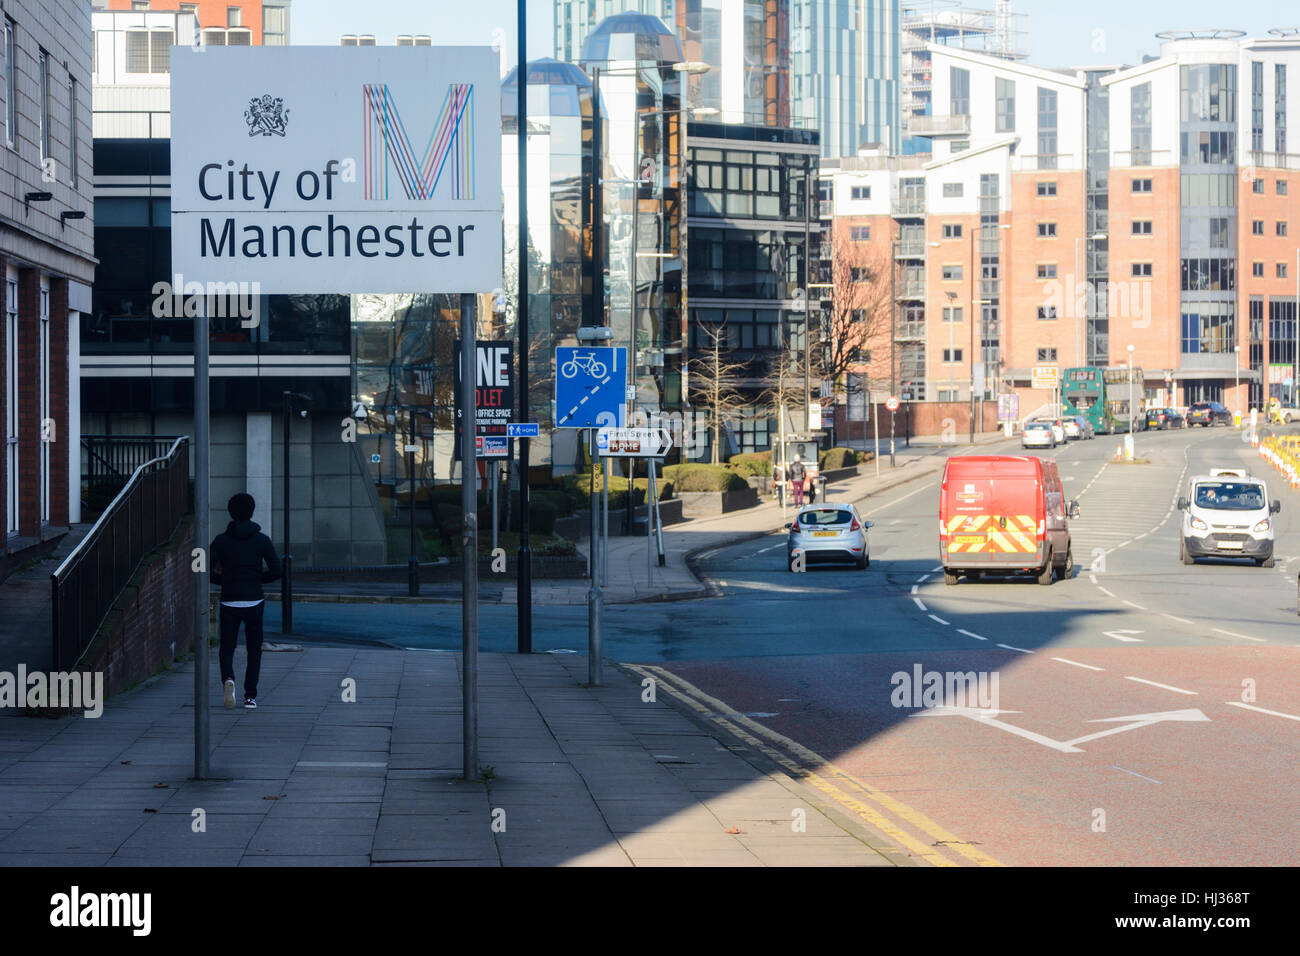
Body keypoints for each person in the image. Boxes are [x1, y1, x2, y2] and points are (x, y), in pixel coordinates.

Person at [210, 493, 282, 710]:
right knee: (254, 649)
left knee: (227, 647)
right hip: (254, 601)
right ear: (252, 511)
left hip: (230, 600)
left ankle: (228, 679)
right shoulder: (262, 540)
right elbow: (277, 570)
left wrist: (223, 581)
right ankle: (250, 696)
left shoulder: (221, 541)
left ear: (230, 512)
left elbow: (205, 568)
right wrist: (258, 580)